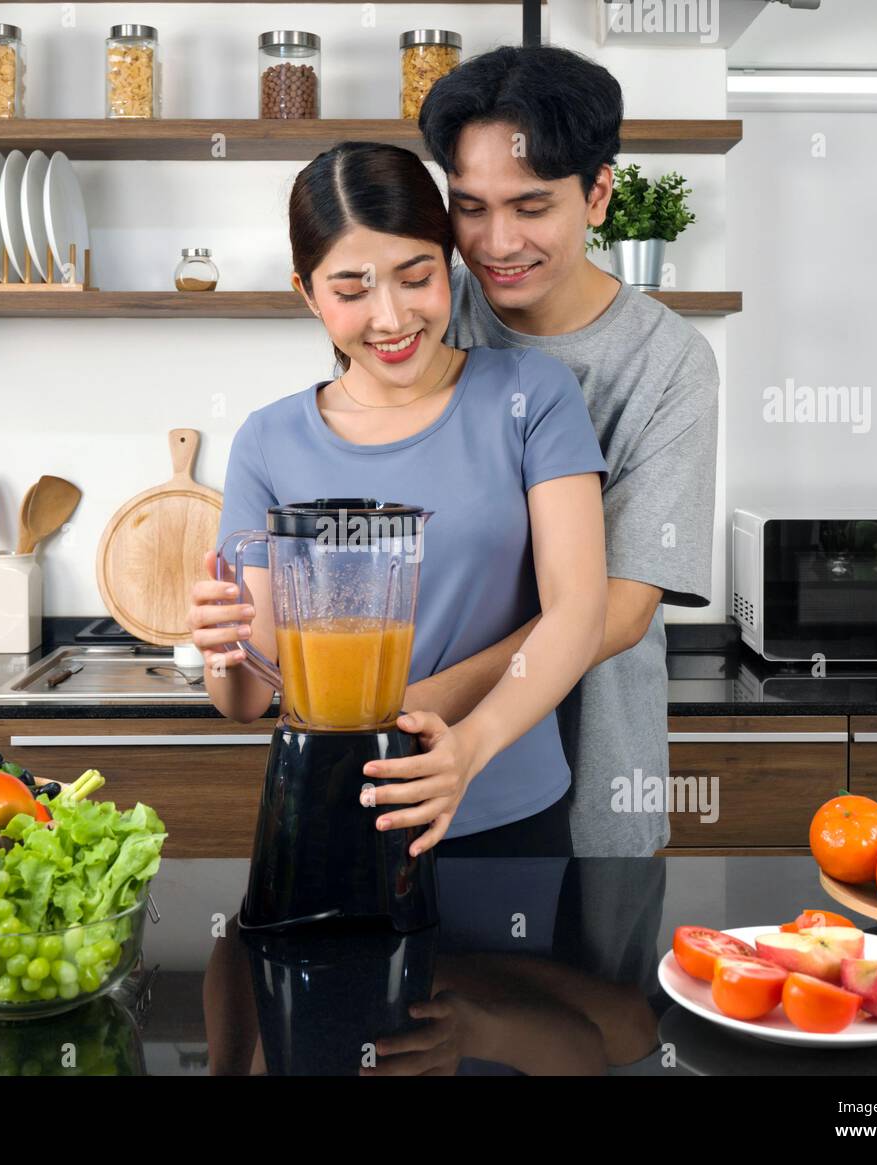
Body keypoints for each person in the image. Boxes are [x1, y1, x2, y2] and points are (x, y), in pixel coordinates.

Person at [187, 141, 609, 858]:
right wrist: (222, 648)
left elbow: (579, 609)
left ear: (449, 263)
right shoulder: (267, 439)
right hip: (331, 815)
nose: (390, 317)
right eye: (351, 291)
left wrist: (466, 751)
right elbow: (247, 701)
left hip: (509, 812)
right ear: (307, 292)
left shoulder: (533, 395)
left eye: (417, 278)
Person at [407, 44, 721, 857]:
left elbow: (617, 610)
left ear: (599, 194)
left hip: (596, 775)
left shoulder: (668, 361)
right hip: (414, 781)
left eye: (531, 205)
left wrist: (415, 701)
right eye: (469, 207)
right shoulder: (419, 315)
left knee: (593, 983)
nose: (496, 240)